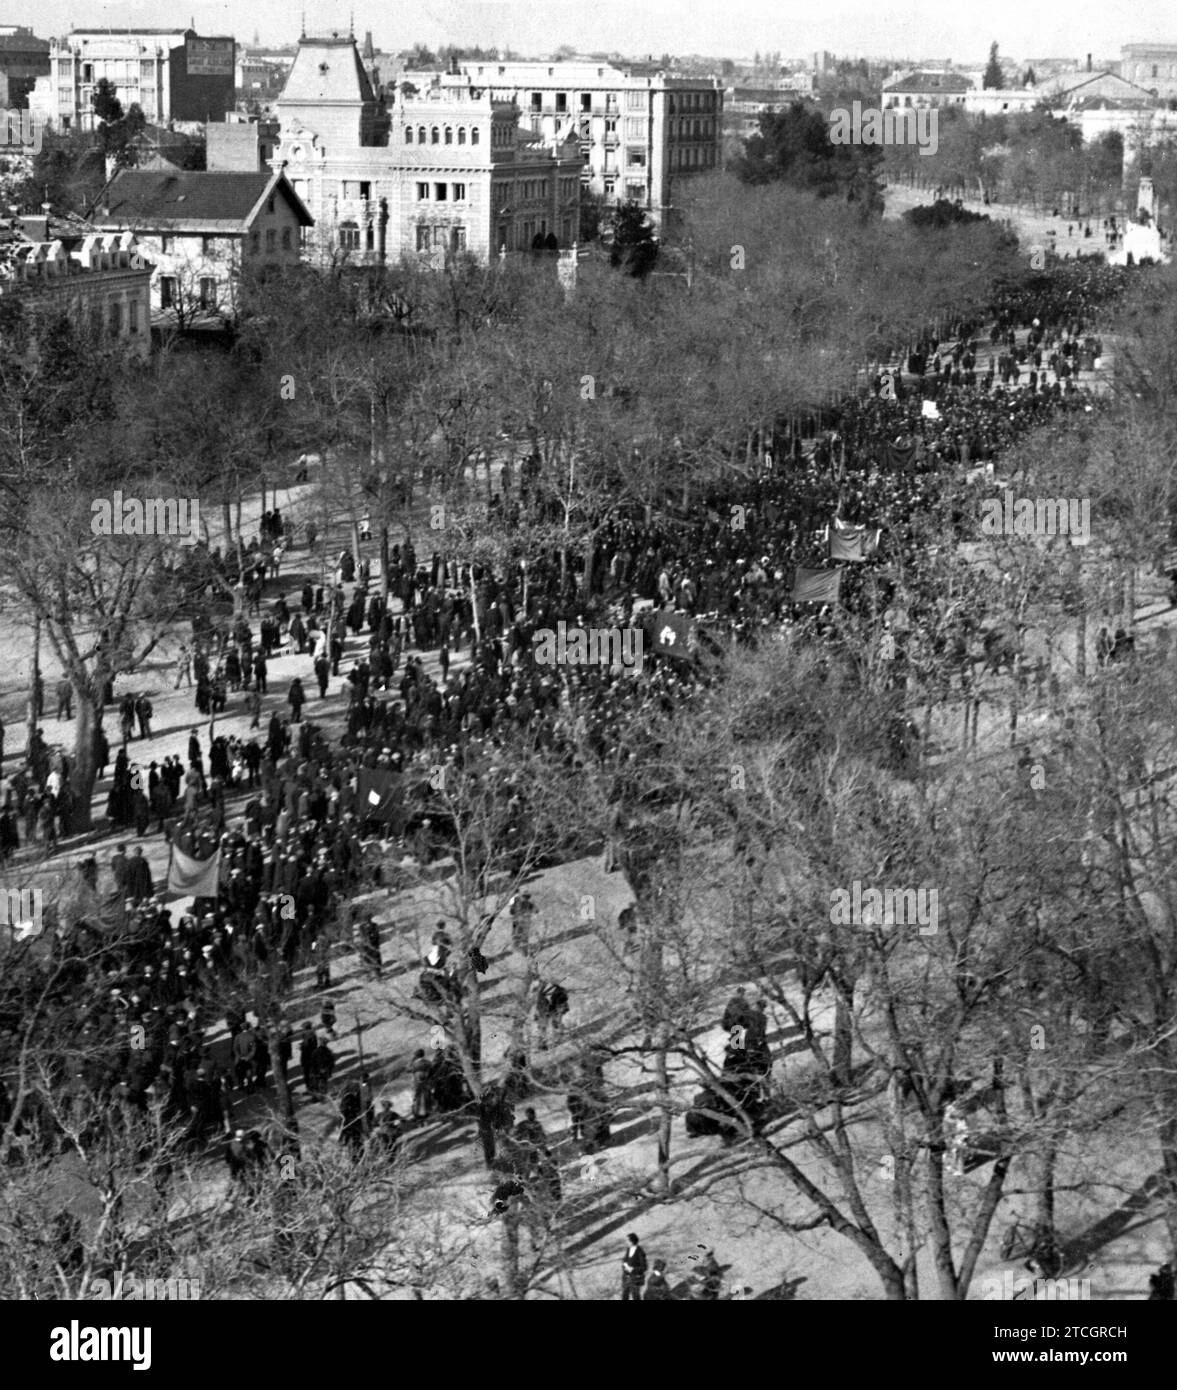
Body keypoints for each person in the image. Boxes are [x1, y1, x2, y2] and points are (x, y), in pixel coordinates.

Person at [621, 1232, 648, 1301]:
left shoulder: (640, 1252)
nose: (626, 1242)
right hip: (626, 1277)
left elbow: (644, 1267)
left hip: (635, 1278)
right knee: (624, 1295)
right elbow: (625, 1260)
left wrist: (633, 1269)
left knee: (635, 1296)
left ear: (632, 1241)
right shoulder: (629, 1249)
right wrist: (624, 1266)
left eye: (627, 1240)